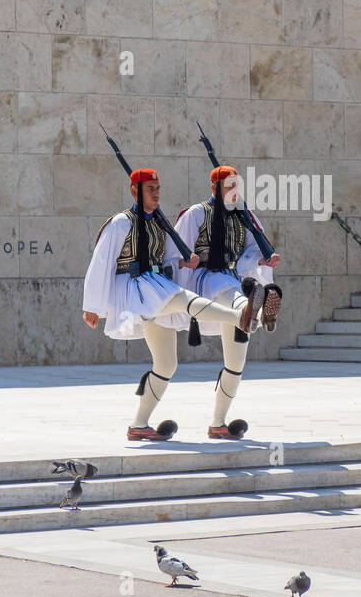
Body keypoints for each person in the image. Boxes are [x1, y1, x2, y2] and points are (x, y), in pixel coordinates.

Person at [82, 168, 265, 441]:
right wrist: (93, 305)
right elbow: (101, 261)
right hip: (134, 289)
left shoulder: (158, 222)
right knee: (184, 299)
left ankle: (139, 425)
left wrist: (180, 262)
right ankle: (240, 317)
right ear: (135, 191)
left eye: (158, 188)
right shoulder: (122, 222)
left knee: (166, 364)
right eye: (150, 189)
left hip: (155, 287)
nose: (156, 193)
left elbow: (164, 258)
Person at [173, 166, 282, 439]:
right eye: (228, 186)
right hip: (204, 281)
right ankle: (250, 312)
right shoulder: (196, 214)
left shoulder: (245, 217)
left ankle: (218, 423)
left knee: (236, 362)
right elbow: (174, 252)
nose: (234, 192)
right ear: (214, 188)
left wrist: (261, 261)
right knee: (226, 286)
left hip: (235, 281)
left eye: (237, 186)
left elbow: (251, 253)